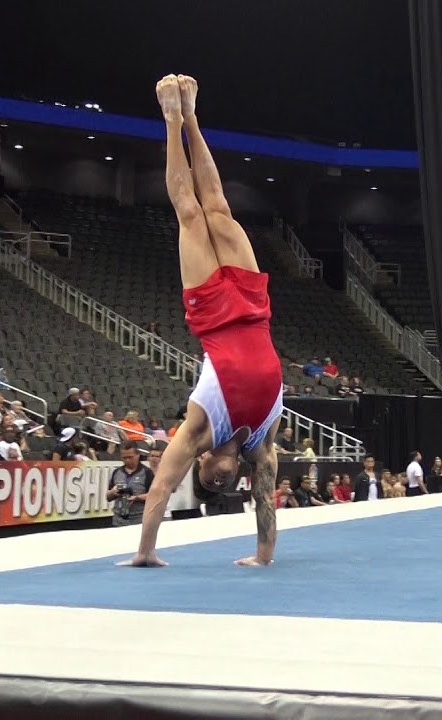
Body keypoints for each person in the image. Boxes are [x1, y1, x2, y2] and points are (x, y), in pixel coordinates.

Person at [122, 75, 283, 568]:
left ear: (203, 462)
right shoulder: (265, 442)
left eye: (208, 480)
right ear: (237, 474)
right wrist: (263, 555)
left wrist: (145, 551)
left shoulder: (195, 432)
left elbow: (162, 487)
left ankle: (172, 120)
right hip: (254, 309)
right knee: (218, 207)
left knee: (190, 215)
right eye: (221, 484)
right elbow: (266, 503)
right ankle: (192, 112)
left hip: (212, 316)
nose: (216, 481)